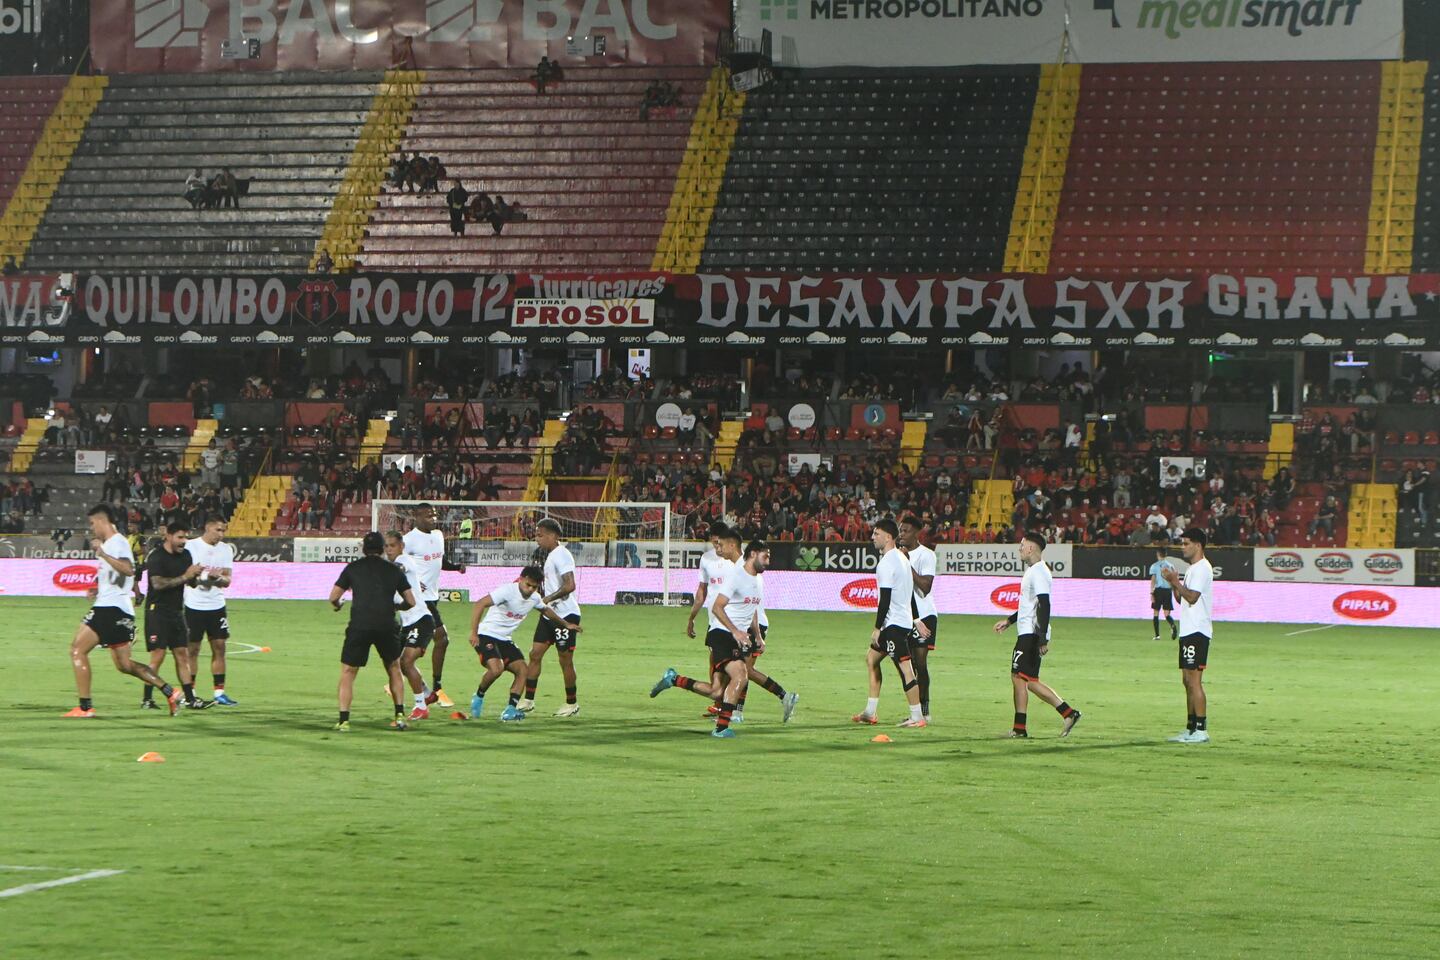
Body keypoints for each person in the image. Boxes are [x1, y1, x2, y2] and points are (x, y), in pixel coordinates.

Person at [66, 505, 184, 717]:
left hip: (109, 610)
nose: (92, 528)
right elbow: (124, 576)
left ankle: (85, 707)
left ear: (102, 521)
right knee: (125, 665)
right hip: (120, 609)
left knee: (77, 650)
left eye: (93, 523)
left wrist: (101, 553)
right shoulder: (116, 543)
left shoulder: (115, 543)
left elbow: (128, 568)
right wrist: (98, 588)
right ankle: (170, 692)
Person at [650, 538, 770, 737]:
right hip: (721, 634)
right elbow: (717, 607)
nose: (768, 561)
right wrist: (735, 631)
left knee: (717, 692)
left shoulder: (756, 580)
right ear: (752, 554)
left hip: (736, 637)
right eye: (765, 557)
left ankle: (674, 679)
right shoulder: (736, 577)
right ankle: (721, 729)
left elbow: (752, 610)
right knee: (741, 675)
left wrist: (757, 635)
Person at [992, 532, 1082, 738]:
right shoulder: (1035, 571)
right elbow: (1030, 605)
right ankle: (1068, 713)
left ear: (1031, 548)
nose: (1019, 549)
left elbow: (1044, 604)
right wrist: (1009, 621)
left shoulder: (1039, 571)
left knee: (1019, 678)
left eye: (1022, 545)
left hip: (1031, 634)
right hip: (1029, 631)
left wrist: (1041, 637)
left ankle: (1020, 729)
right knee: (1027, 680)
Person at [327, 532, 418, 732]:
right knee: (393, 668)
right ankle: (400, 715)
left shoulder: (353, 568)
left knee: (348, 672)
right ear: (383, 548)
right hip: (386, 624)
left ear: (363, 549)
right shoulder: (393, 570)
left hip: (360, 624)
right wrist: (397, 608)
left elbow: (334, 596)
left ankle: (344, 720)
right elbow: (411, 601)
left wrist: (338, 605)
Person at [467, 565, 582, 722]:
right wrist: (473, 632)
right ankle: (478, 696)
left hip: (505, 639)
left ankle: (510, 710)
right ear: (521, 579)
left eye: (534, 587)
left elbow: (546, 610)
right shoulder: (507, 591)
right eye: (528, 585)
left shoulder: (534, 598)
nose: (530, 589)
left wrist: (565, 624)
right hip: (486, 635)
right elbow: (480, 604)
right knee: (496, 669)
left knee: (523, 670)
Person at [852, 518, 929, 728]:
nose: (872, 537)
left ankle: (917, 716)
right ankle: (870, 711)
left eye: (876, 534)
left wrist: (877, 628)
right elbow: (910, 593)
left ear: (887, 537)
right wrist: (916, 619)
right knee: (871, 659)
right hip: (901, 622)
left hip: (893, 625)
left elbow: (884, 599)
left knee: (906, 668)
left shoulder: (886, 563)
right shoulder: (903, 559)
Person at [141, 520, 211, 710]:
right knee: (158, 656)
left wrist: (199, 576)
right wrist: (186, 576)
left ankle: (190, 699)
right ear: (169, 536)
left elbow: (192, 584)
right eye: (180, 537)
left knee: (182, 655)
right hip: (157, 612)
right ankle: (147, 699)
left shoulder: (186, 555)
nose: (184, 541)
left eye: (186, 537)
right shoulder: (156, 557)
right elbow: (158, 584)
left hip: (176, 611)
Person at [517, 519, 583, 717]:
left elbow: (570, 585)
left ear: (553, 536)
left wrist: (548, 598)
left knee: (565, 661)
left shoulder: (561, 554)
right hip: (550, 614)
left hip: (566, 614)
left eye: (541, 535)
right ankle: (528, 700)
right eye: (537, 535)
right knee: (535, 654)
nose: (537, 539)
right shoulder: (548, 556)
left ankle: (572, 704)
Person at [403, 503, 465, 707]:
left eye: (435, 515)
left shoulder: (438, 535)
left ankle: (407, 677)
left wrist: (455, 568)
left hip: (432, 596)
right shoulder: (409, 540)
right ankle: (434, 688)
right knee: (442, 639)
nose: (433, 518)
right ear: (417, 517)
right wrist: (409, 582)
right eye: (428, 515)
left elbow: (439, 560)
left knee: (412, 644)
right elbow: (397, 563)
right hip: (420, 599)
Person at [1162, 527, 1213, 744]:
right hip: (1189, 630)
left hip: (1198, 631)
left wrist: (1175, 582)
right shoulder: (1193, 568)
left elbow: (1192, 597)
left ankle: (1201, 729)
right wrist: (1174, 584)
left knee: (1194, 681)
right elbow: (1182, 599)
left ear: (1198, 545)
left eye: (1186, 543)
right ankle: (1191, 728)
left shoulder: (1202, 569)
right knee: (1187, 681)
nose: (1182, 547)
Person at [384, 531, 436, 720]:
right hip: (406, 624)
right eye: (386, 546)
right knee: (394, 663)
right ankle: (426, 693)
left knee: (406, 662)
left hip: (421, 620)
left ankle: (421, 707)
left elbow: (398, 568)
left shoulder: (405, 560)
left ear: (401, 546)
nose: (389, 550)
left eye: (393, 546)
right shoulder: (389, 573)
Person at [898, 514, 937, 723]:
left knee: (920, 664)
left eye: (905, 531)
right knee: (909, 664)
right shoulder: (897, 554)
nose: (901, 534)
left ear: (916, 533)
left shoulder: (926, 555)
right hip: (907, 616)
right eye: (900, 530)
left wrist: (906, 564)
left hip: (925, 614)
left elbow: (925, 586)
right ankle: (915, 711)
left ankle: (925, 709)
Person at [1148, 547, 1178, 643]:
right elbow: (1174, 580)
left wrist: (1151, 592)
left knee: (1156, 612)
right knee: (1166, 614)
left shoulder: (1154, 566)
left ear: (1158, 554)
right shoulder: (1171, 566)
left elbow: (1153, 580)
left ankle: (1157, 635)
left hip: (1158, 591)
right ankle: (1172, 625)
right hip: (1168, 591)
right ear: (1165, 555)